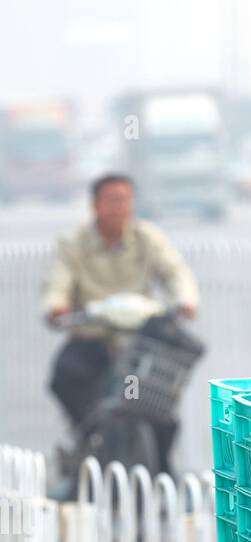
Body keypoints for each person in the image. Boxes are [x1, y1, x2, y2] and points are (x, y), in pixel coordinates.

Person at [42, 172, 199, 472]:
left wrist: (186, 301)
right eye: (112, 200)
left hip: (141, 342)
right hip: (92, 339)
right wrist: (56, 307)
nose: (119, 207)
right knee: (63, 376)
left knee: (161, 405)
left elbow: (175, 272)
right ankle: (86, 435)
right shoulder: (74, 243)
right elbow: (57, 283)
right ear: (95, 205)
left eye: (125, 200)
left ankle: (164, 470)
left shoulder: (147, 238)